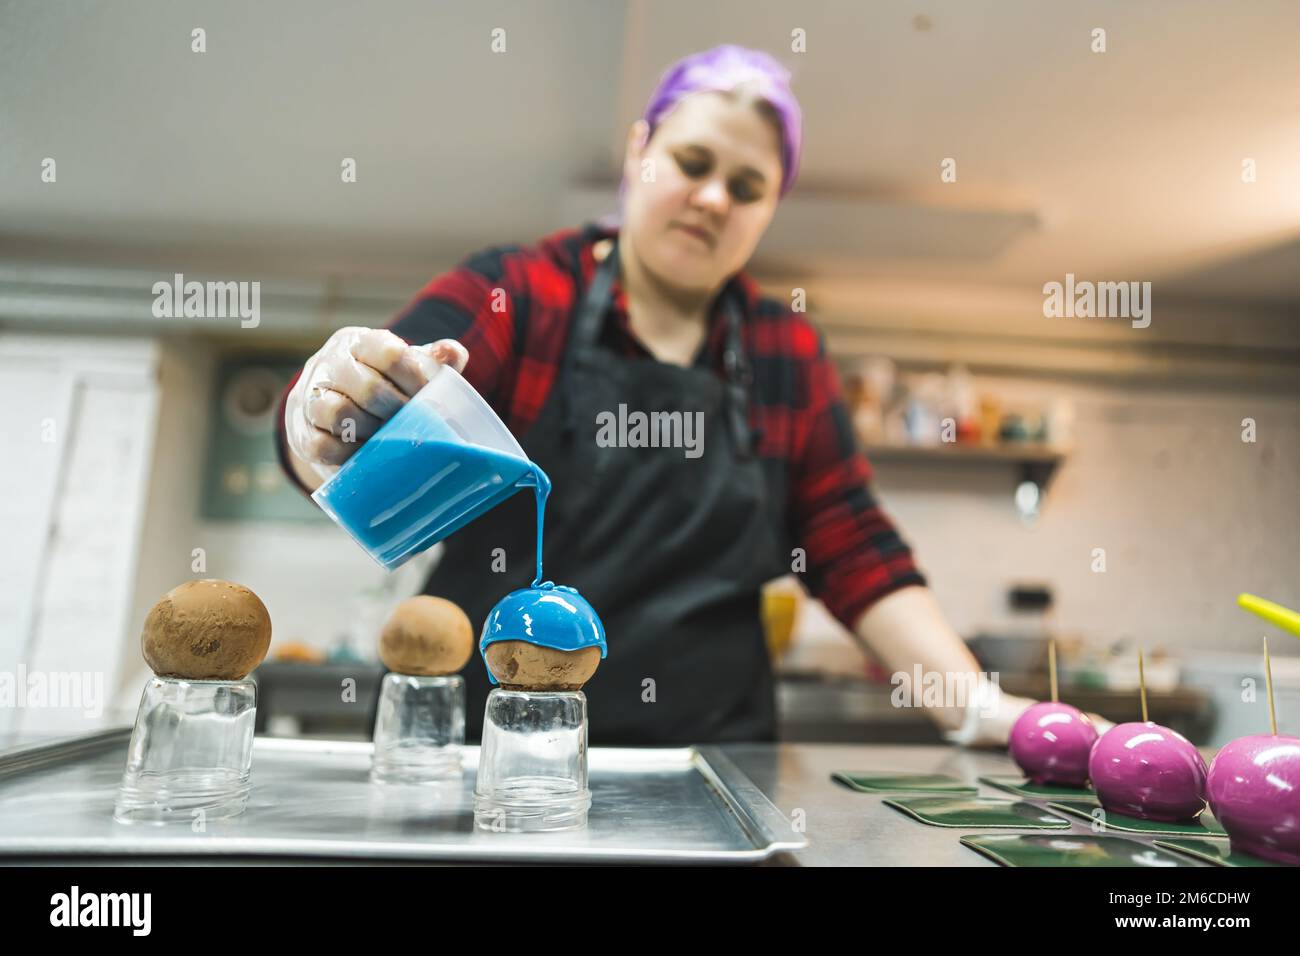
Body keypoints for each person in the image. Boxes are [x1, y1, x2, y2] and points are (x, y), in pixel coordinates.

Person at [277, 45, 1043, 746]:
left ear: (770, 209)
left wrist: (972, 705)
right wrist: (329, 405)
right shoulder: (524, 291)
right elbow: (359, 420)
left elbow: (850, 545)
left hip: (709, 764)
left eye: (747, 188)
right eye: (692, 161)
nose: (713, 198)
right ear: (640, 151)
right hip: (494, 753)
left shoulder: (786, 350)